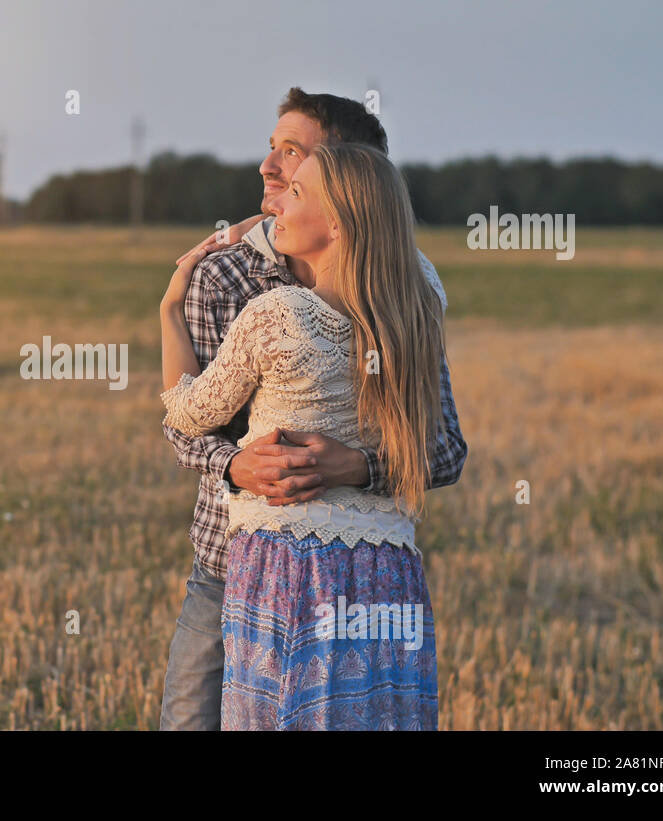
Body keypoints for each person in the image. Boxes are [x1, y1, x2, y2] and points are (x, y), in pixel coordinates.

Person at [158, 89, 467, 730]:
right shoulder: (226, 277)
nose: (272, 169)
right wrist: (237, 466)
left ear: (351, 183)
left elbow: (443, 450)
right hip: (232, 563)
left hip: (345, 565)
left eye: (294, 156)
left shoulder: (405, 285)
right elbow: (190, 432)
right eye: (273, 150)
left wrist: (356, 466)